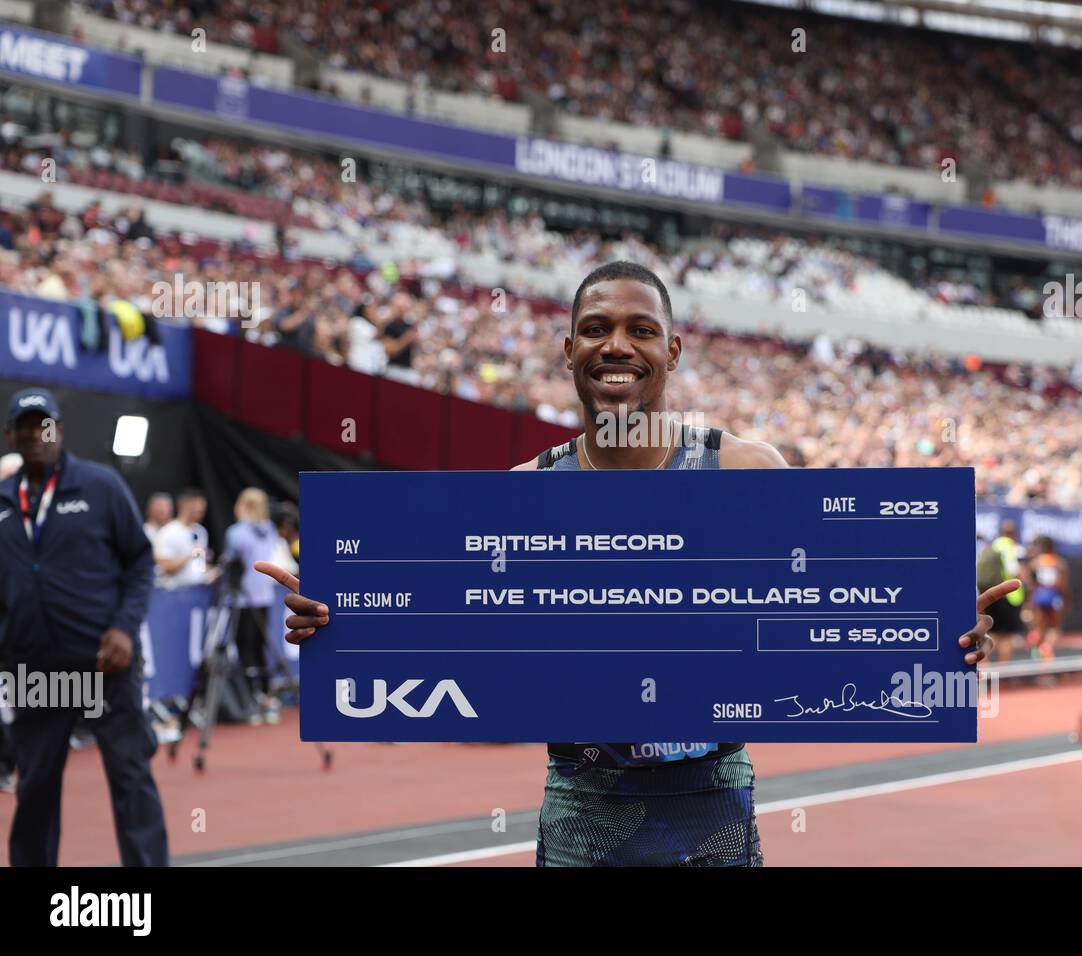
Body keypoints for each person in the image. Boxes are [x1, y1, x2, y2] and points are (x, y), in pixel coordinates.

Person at [255, 261, 1017, 867]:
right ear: (569, 352)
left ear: (672, 350)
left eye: (639, 329)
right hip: (583, 812)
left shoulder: (746, 470)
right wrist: (340, 625)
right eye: (595, 329)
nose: (616, 345)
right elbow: (450, 636)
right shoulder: (526, 493)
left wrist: (940, 638)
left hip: (713, 808)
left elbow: (847, 606)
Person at [0, 387, 168, 865]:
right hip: (36, 673)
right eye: (26, 426)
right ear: (10, 434)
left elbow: (140, 562)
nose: (36, 434)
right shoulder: (3, 501)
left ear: (60, 430)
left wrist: (123, 629)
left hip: (104, 663)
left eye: (44, 424)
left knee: (130, 778)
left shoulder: (101, 486)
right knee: (34, 787)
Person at [222, 488, 282, 724]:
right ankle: (266, 696)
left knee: (245, 649)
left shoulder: (237, 533)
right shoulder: (270, 530)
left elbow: (229, 561)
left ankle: (249, 700)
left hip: (243, 598)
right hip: (264, 597)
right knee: (259, 647)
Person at [980, 519, 1025, 660]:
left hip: (989, 594)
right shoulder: (1009, 546)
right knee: (1007, 636)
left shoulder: (993, 545)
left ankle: (982, 668)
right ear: (1015, 534)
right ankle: (1002, 675)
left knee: (992, 633)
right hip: (1008, 597)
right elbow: (1014, 571)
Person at [153, 488, 211, 586]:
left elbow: (199, 566)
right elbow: (164, 568)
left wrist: (210, 571)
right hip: (175, 591)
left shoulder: (201, 531)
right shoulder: (168, 532)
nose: (200, 512)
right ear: (184, 506)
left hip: (199, 590)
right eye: (196, 509)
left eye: (202, 510)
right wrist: (190, 555)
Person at [1025, 536, 1070, 660]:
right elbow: (1063, 585)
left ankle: (1037, 649)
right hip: (1053, 594)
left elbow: (1030, 584)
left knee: (1039, 626)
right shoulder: (1059, 562)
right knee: (1054, 627)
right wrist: (1066, 601)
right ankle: (1046, 648)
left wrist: (1029, 603)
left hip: (1039, 594)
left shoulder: (1035, 562)